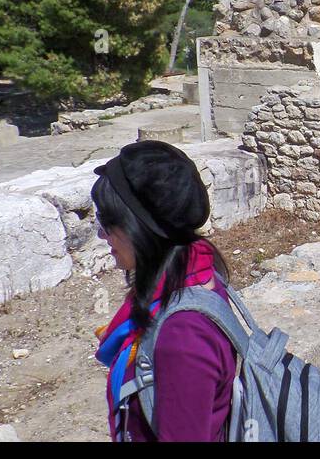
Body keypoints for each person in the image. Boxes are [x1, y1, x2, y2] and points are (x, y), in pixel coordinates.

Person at [91, 140, 236, 442]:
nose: (103, 236)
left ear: (137, 229)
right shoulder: (197, 272)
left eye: (107, 223)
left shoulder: (182, 337)